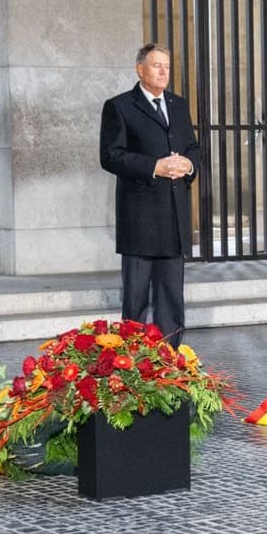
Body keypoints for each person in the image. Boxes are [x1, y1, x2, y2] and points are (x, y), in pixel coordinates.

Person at [101, 43, 201, 339]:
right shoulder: (119, 106)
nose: (163, 71)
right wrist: (154, 167)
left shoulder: (178, 105)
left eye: (167, 66)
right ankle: (133, 362)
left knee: (171, 297)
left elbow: (193, 147)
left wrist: (189, 164)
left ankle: (171, 360)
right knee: (136, 300)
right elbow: (110, 155)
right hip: (141, 219)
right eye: (156, 65)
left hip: (173, 216)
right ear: (140, 69)